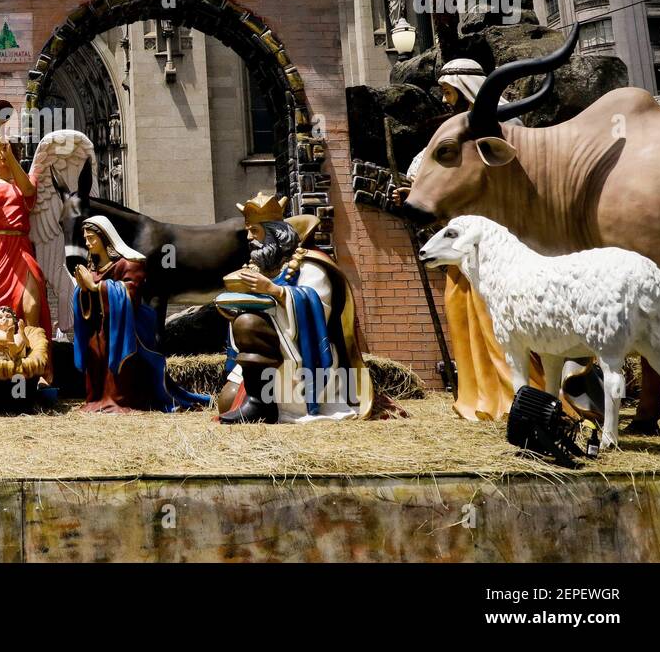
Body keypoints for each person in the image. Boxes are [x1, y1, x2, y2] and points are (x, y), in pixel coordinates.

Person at [392, 59, 543, 421]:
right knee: (461, 313)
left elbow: (503, 181)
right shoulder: (450, 131)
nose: (445, 101)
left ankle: (521, 396)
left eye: (449, 92)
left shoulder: (504, 125)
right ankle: (479, 397)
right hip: (460, 248)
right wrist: (412, 194)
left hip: (493, 244)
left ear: (466, 89)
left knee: (496, 319)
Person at [215, 193, 374, 424]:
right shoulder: (258, 268)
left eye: (255, 231)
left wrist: (274, 291)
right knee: (226, 401)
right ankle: (256, 397)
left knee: (247, 323)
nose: (249, 238)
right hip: (263, 348)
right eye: (248, 231)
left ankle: (263, 406)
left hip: (300, 349)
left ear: (274, 234)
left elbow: (319, 305)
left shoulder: (308, 264)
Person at [71, 216, 209, 413]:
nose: (88, 243)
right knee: (95, 352)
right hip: (100, 326)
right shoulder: (92, 267)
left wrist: (95, 286)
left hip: (126, 329)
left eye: (91, 238)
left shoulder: (129, 263)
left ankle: (117, 401)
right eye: (85, 239)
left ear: (105, 238)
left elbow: (130, 295)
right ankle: (98, 399)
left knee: (118, 358)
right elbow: (85, 300)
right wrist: (82, 291)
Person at [0, 133, 53, 381]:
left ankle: (36, 366)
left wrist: (9, 155)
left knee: (32, 304)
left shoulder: (24, 180)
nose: (2, 155)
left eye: (8, 150)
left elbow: (28, 189)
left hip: (20, 245)